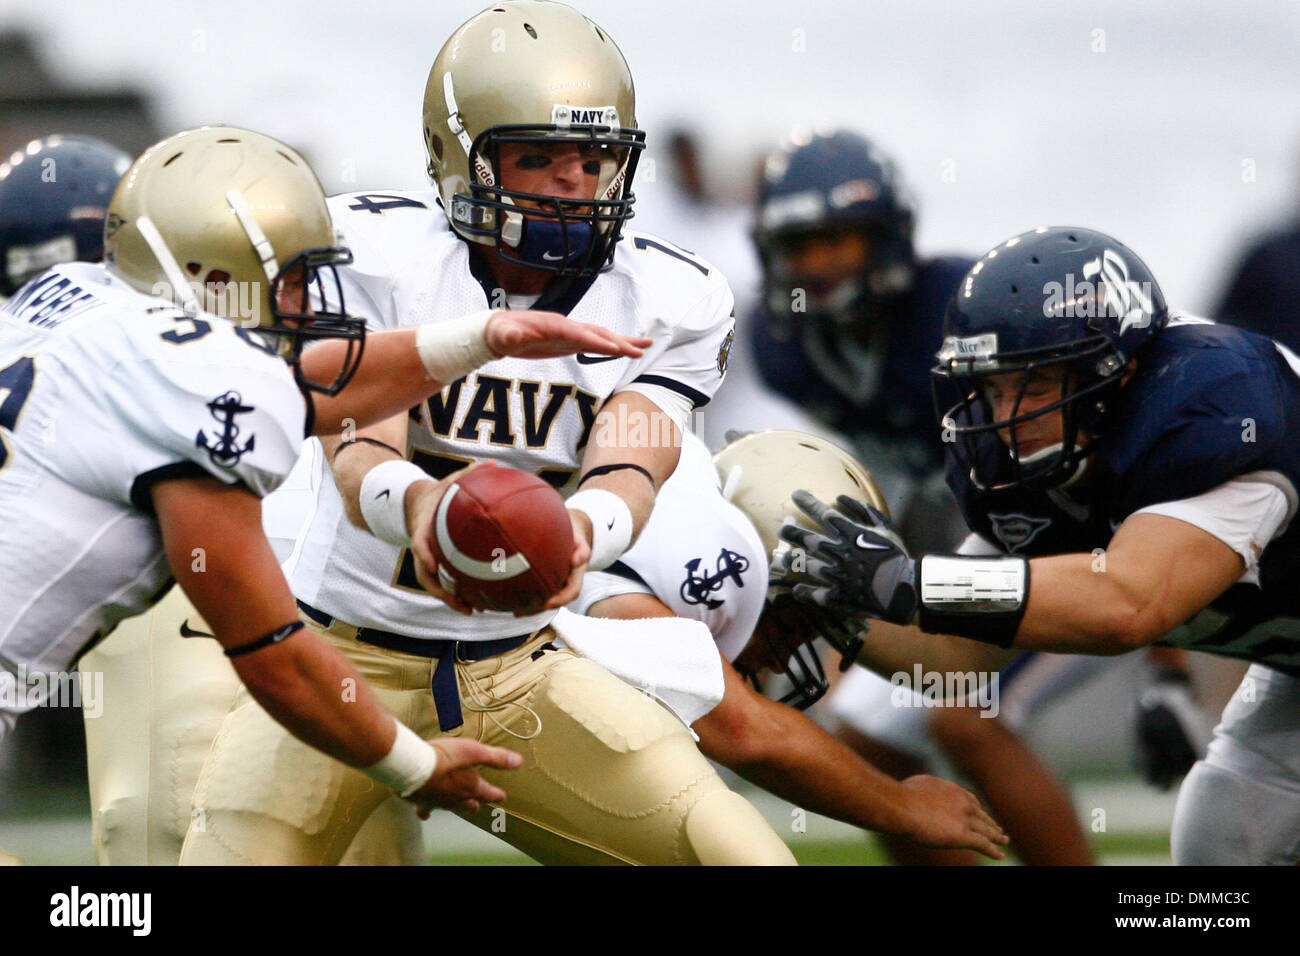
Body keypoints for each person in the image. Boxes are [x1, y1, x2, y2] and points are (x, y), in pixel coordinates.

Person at [176, 1, 794, 866]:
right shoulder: (371, 254)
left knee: (744, 858)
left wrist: (581, 531)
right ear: (455, 156)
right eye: (535, 156)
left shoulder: (672, 297)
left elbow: (633, 458)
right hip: (343, 658)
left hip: (521, 666)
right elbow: (360, 444)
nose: (572, 180)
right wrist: (423, 508)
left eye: (592, 156)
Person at [0, 124, 650, 821]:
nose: (312, 305)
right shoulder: (192, 384)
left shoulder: (72, 297)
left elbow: (308, 387)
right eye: (295, 279)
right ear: (214, 278)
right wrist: (416, 765)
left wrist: (482, 338)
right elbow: (272, 652)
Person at [777, 225, 1300, 865]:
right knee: (1218, 847)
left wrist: (914, 583)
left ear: (1119, 368)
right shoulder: (1030, 468)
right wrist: (841, 606)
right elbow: (951, 662)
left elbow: (1130, 602)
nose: (1005, 417)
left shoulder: (1213, 404)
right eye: (993, 387)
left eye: (1035, 384)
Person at [571, 428, 1008, 860]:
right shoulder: (633, 592)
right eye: (795, 626)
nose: (781, 667)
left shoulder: (670, 527)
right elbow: (747, 733)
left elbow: (955, 666)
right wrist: (906, 807)